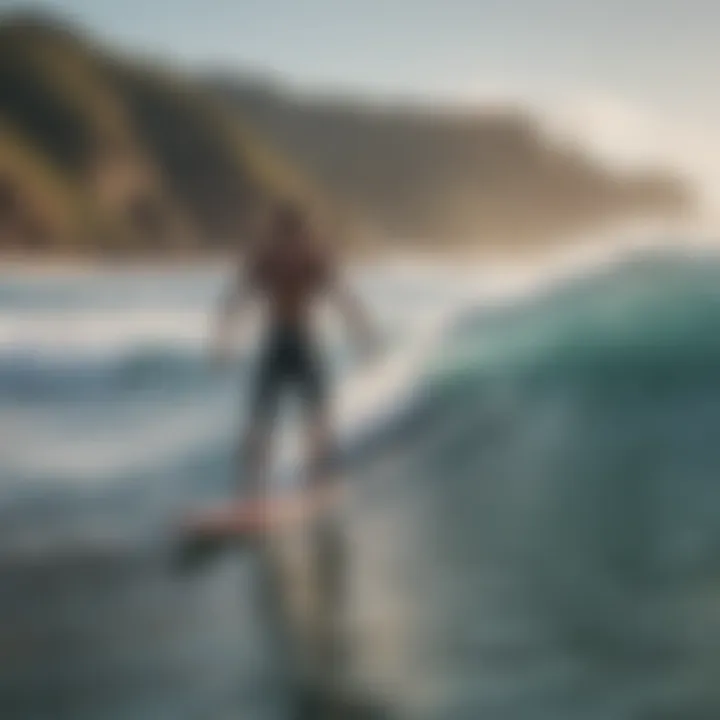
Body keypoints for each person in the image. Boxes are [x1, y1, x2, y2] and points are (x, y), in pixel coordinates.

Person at [210, 201, 377, 510]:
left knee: (268, 415)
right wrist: (363, 336)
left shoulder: (268, 258)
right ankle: (317, 485)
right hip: (299, 341)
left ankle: (252, 490)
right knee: (311, 415)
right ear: (302, 229)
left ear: (277, 228)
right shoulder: (307, 258)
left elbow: (234, 301)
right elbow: (344, 300)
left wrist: (223, 342)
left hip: (278, 342)